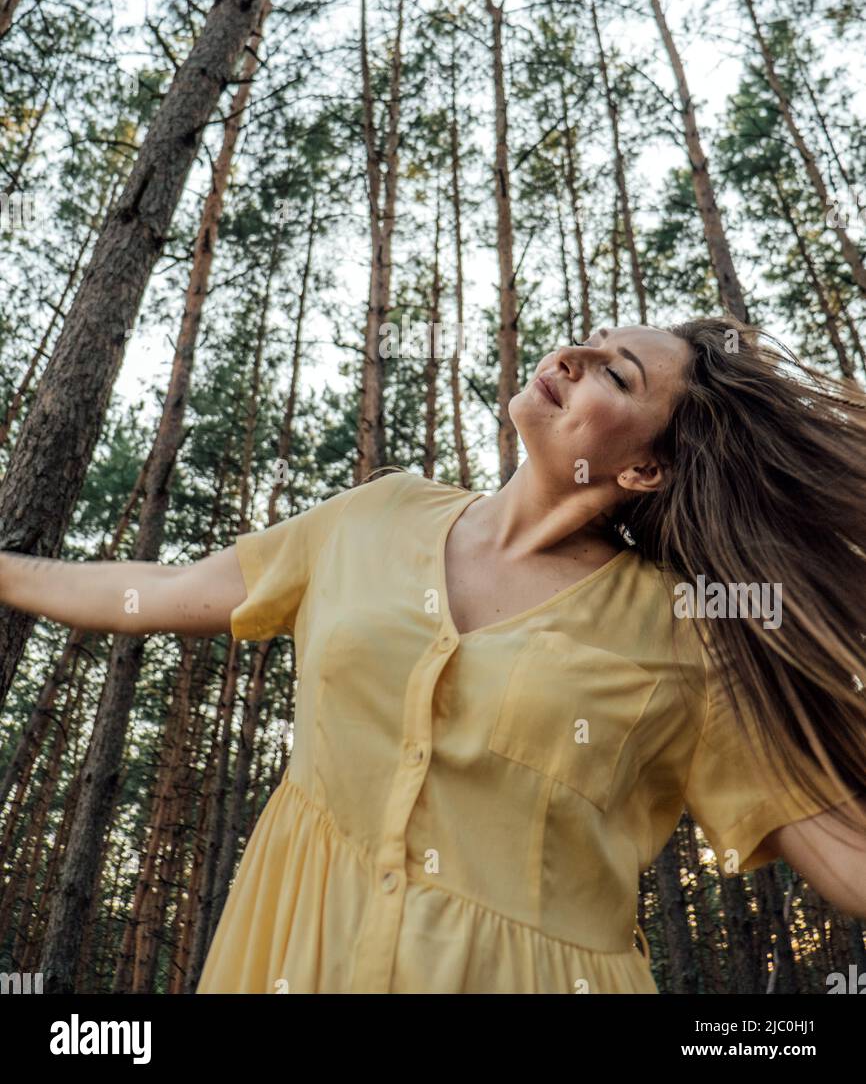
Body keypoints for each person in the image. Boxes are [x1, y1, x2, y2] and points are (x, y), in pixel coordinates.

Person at [2, 316, 865, 993]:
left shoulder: (689, 633)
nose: (571, 355)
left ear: (644, 470)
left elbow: (838, 852)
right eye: (590, 342)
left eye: (615, 373)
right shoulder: (380, 513)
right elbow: (154, 592)